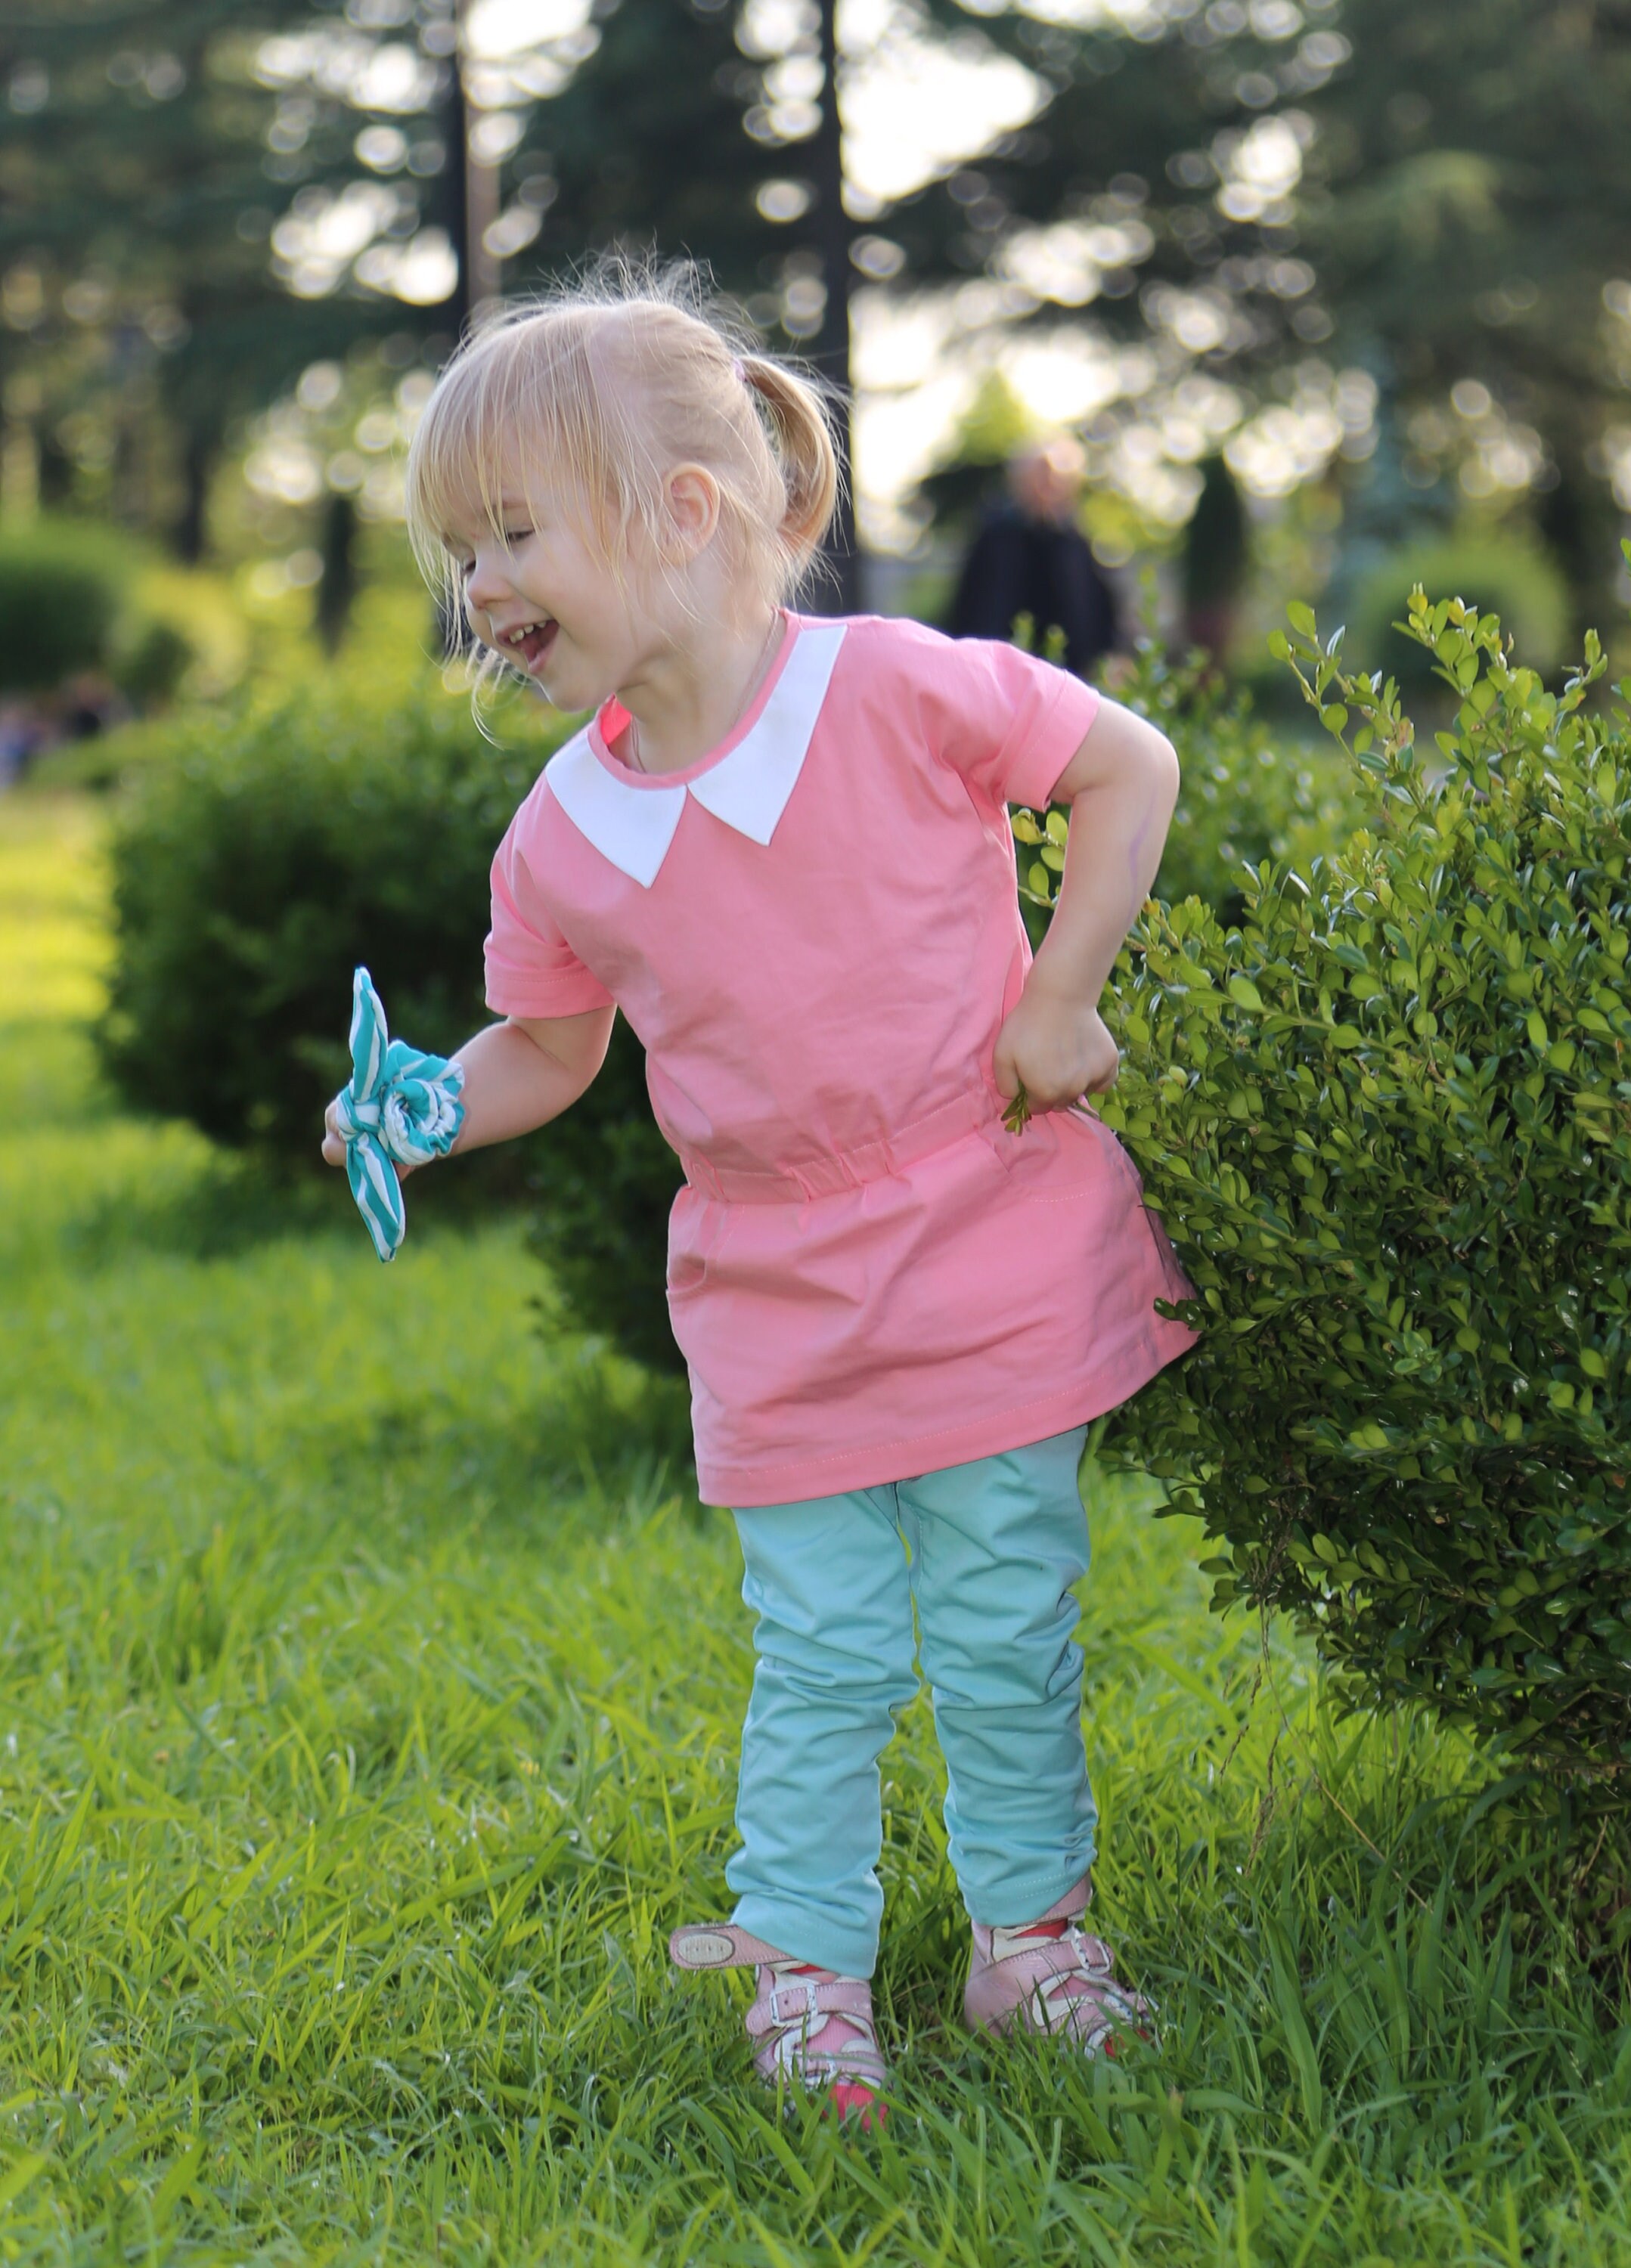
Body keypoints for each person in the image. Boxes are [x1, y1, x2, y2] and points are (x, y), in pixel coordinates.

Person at [321, 268, 1195, 2124]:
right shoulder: (564, 832)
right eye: (458, 549)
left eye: (510, 531)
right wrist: (417, 1107)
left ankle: (1030, 1939)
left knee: (1001, 1614)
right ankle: (805, 1966)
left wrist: (1060, 993)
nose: (476, 587)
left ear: (684, 513)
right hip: (780, 1289)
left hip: (987, 1232)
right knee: (820, 1648)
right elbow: (544, 1051)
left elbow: (1127, 765)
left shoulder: (887, 688)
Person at [947, 437, 1122, 675]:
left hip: (1069, 674)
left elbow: (1098, 612)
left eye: (1055, 479)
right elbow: (973, 608)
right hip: (1003, 671)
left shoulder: (1076, 543)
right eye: (1040, 477)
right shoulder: (997, 539)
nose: (1047, 486)